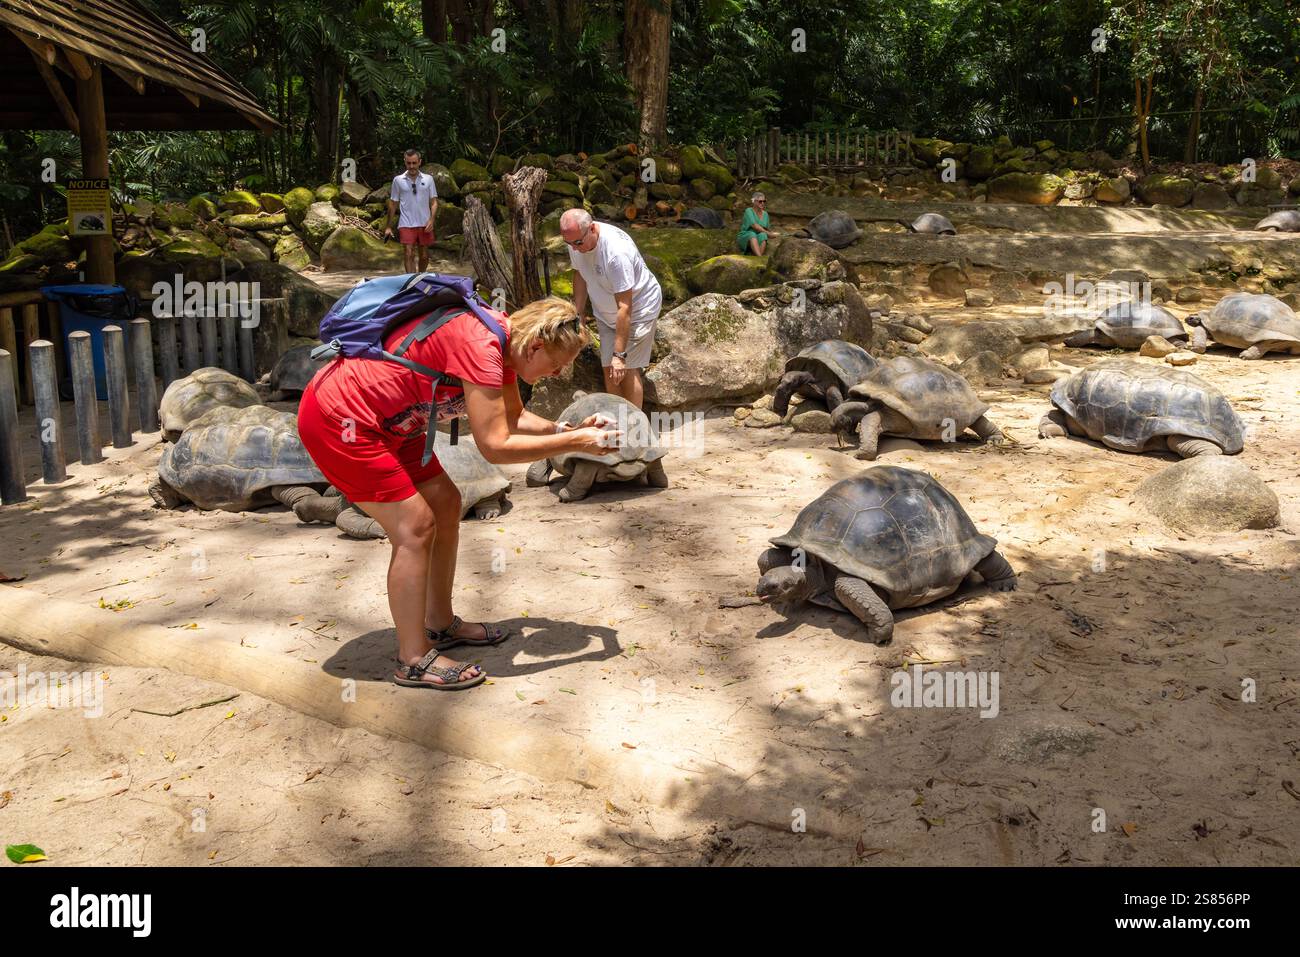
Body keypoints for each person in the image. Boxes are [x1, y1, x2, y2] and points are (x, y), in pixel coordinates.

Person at [297, 296, 618, 690]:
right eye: (557, 363)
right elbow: (495, 445)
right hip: (342, 420)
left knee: (446, 503)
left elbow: (513, 418)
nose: (559, 372)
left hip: (395, 423)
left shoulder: (504, 342)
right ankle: (413, 659)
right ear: (535, 346)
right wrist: (579, 444)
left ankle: (440, 624)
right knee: (415, 526)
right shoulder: (481, 345)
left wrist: (566, 431)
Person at [560, 209, 662, 410]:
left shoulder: (616, 253)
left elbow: (625, 307)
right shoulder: (575, 239)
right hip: (605, 310)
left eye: (578, 243)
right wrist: (578, 315)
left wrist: (620, 355)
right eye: (569, 244)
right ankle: (617, 422)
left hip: (638, 310)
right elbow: (579, 274)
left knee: (626, 368)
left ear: (591, 228)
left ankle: (634, 429)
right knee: (609, 368)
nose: (574, 248)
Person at [383, 149, 438, 273]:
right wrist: (388, 227)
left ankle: (421, 276)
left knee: (424, 255)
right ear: (405, 162)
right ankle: (411, 282)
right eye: (409, 163)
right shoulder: (398, 180)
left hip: (425, 223)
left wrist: (432, 219)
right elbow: (393, 204)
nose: (411, 166)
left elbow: (434, 202)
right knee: (408, 253)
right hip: (406, 223)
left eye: (414, 163)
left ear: (420, 162)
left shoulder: (428, 179)